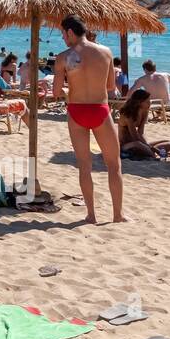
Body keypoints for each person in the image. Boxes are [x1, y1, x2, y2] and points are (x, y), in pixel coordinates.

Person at [53, 14, 125, 224]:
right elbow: (111, 87)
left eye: (63, 34)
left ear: (70, 32)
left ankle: (91, 215)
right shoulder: (105, 52)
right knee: (114, 164)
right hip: (100, 110)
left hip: (76, 111)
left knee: (84, 165)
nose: (63, 39)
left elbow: (57, 91)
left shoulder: (63, 57)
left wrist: (69, 89)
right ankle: (117, 215)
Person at [114, 90, 170, 161]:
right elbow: (135, 137)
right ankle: (153, 154)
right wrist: (153, 148)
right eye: (147, 101)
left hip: (139, 143)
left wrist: (148, 146)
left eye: (150, 100)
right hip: (126, 145)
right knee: (138, 144)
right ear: (139, 102)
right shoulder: (128, 115)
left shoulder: (144, 112)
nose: (150, 102)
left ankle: (152, 152)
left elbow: (140, 133)